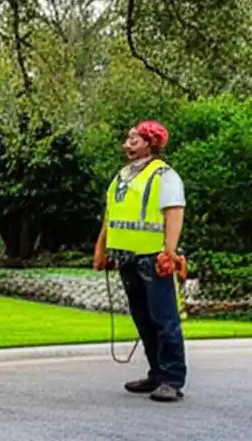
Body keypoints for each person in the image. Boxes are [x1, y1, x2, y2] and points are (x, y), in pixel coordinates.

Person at [93, 120, 188, 402]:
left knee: (164, 319)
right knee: (143, 319)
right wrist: (102, 249)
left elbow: (174, 212)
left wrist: (168, 253)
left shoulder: (165, 176)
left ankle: (172, 378)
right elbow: (110, 217)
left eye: (133, 140)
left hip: (152, 258)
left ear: (149, 143)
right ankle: (157, 373)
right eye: (127, 140)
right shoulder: (122, 176)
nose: (126, 145)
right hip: (126, 258)